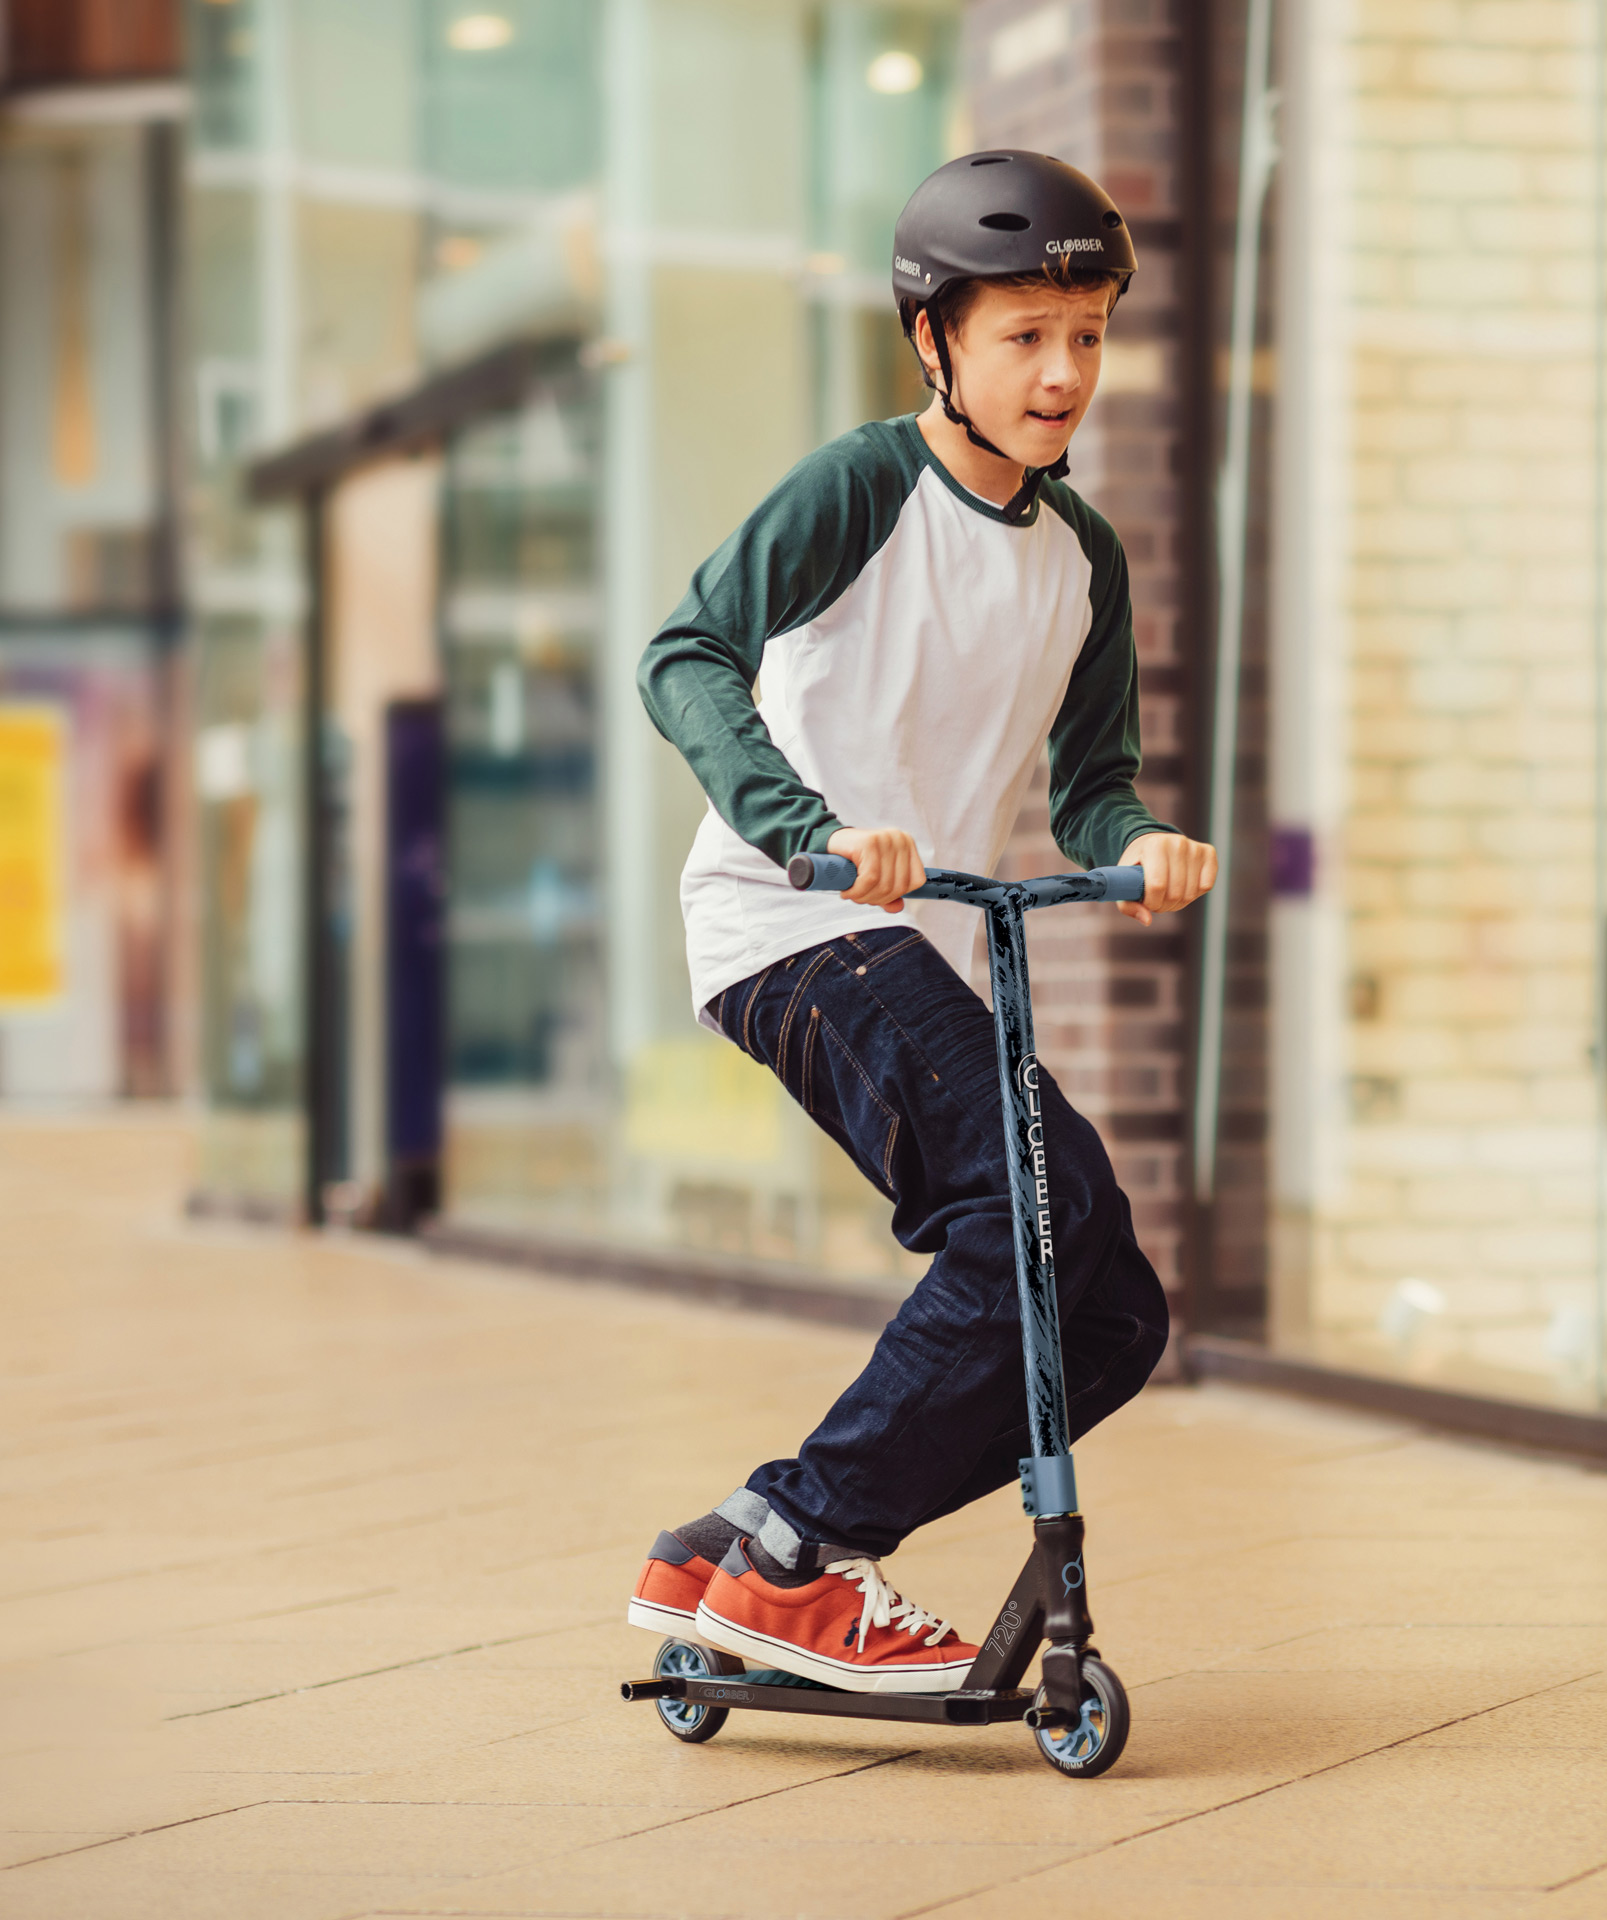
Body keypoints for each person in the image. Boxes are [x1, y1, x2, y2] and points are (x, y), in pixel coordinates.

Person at [623, 152, 1217, 1691]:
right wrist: (803, 830)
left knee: (1114, 1313)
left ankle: (743, 1539)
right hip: (790, 928)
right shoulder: (862, 486)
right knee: (1038, 1202)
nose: (1064, 370)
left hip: (927, 943)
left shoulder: (1084, 558)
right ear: (934, 340)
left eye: (1087, 332)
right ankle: (800, 1565)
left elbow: (1093, 787)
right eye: (1025, 334)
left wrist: (1138, 845)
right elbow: (685, 651)